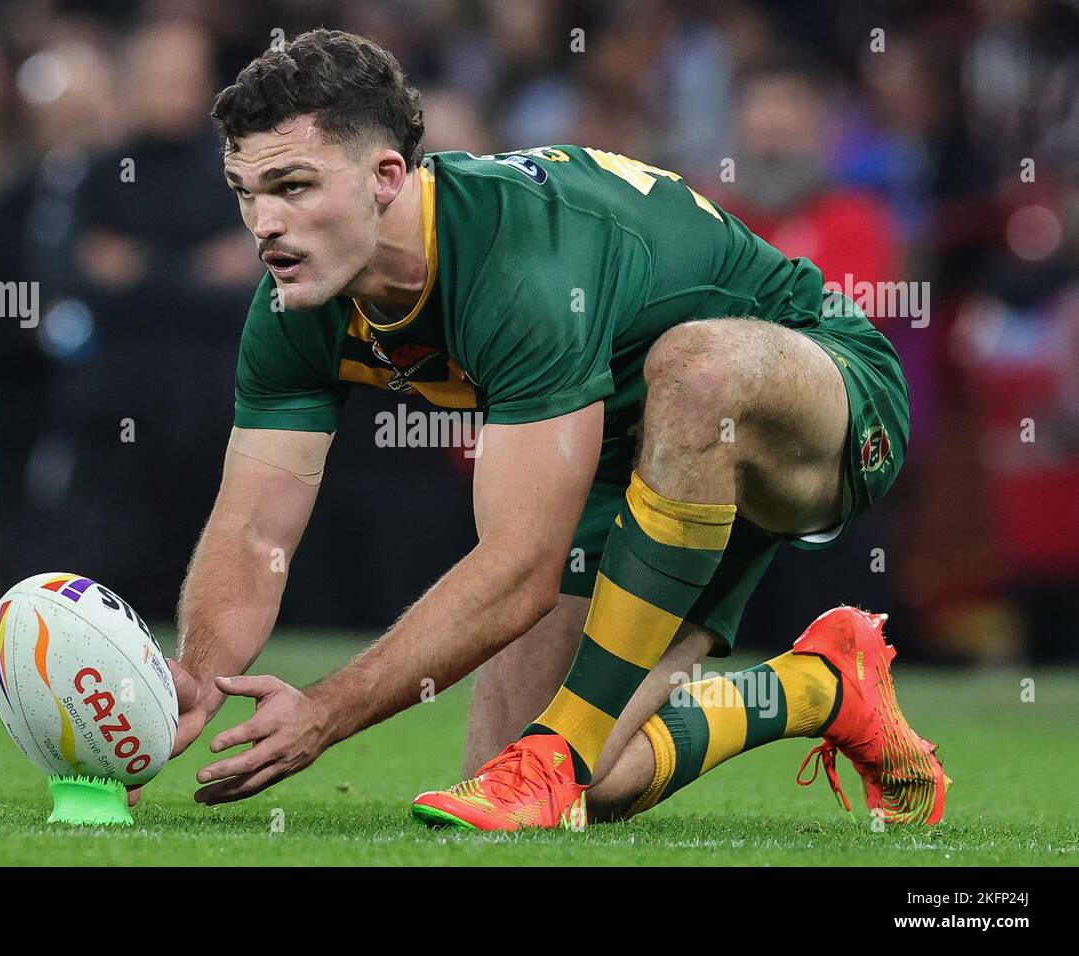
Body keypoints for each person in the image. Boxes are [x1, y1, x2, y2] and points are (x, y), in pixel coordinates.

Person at [130, 28, 948, 831]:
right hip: (629, 454)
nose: (263, 222)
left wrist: (326, 713)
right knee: (545, 788)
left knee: (696, 369)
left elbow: (521, 569)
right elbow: (251, 527)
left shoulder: (518, 264)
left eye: (293, 186)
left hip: (823, 390)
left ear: (386, 175)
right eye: (245, 191)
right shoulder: (295, 301)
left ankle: (560, 750)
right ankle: (819, 687)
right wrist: (198, 673)